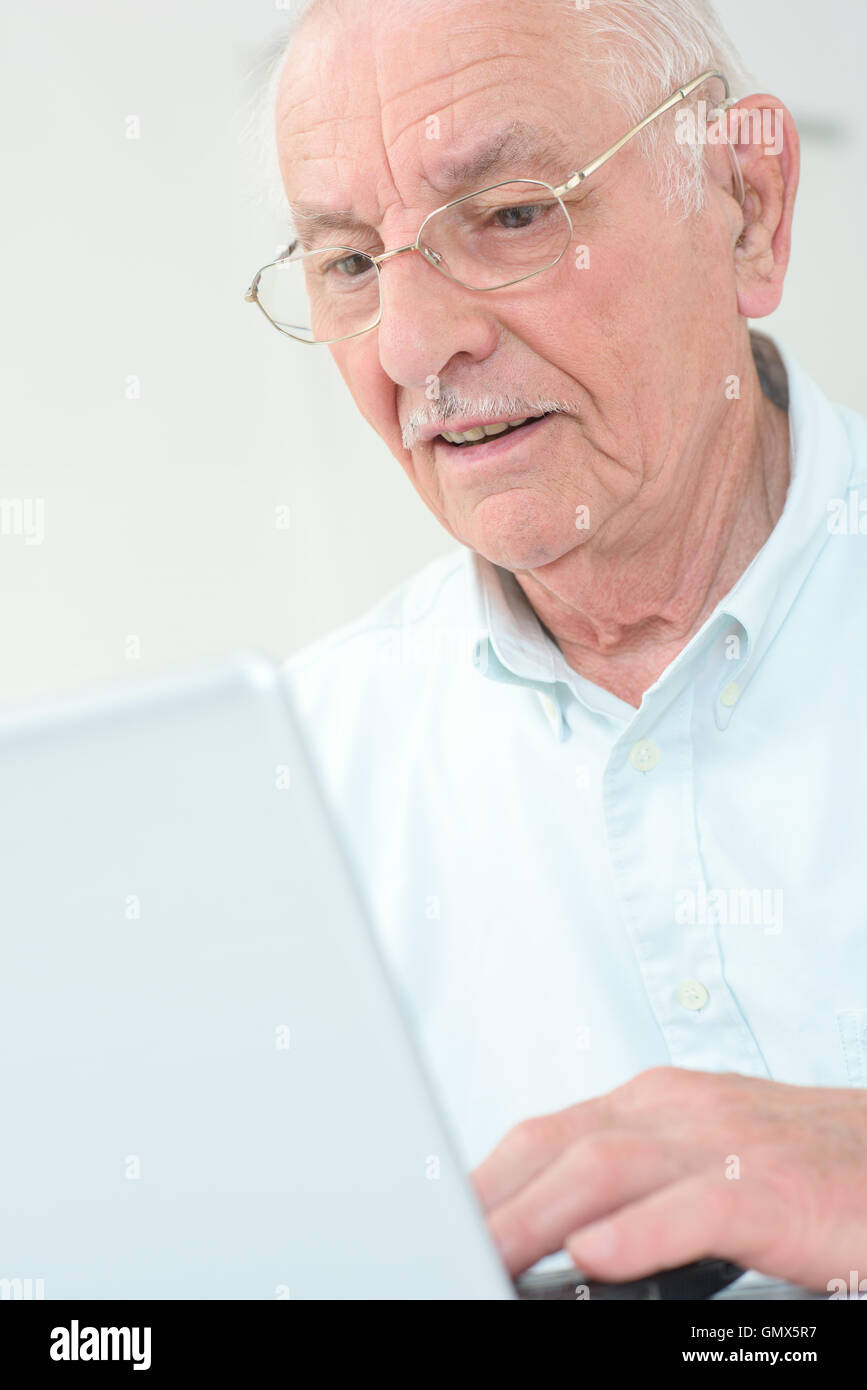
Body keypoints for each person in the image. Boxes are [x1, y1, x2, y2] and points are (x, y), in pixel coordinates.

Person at [246, 0, 867, 1290]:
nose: (415, 346)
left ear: (747, 206)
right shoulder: (286, 796)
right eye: (351, 263)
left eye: (514, 214)